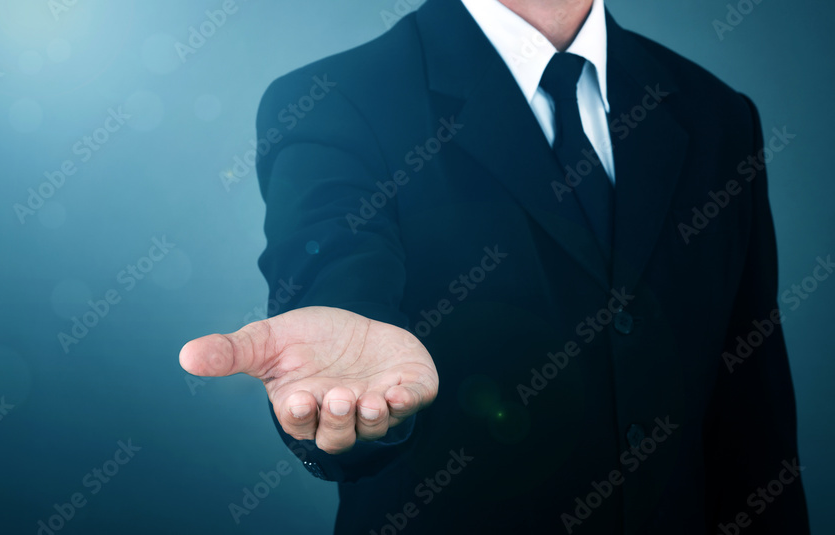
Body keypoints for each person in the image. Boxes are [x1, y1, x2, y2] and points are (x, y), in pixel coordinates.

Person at [180, 0, 810, 532]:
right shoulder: (334, 101)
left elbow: (751, 405)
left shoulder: (718, 115)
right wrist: (346, 386)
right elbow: (340, 270)